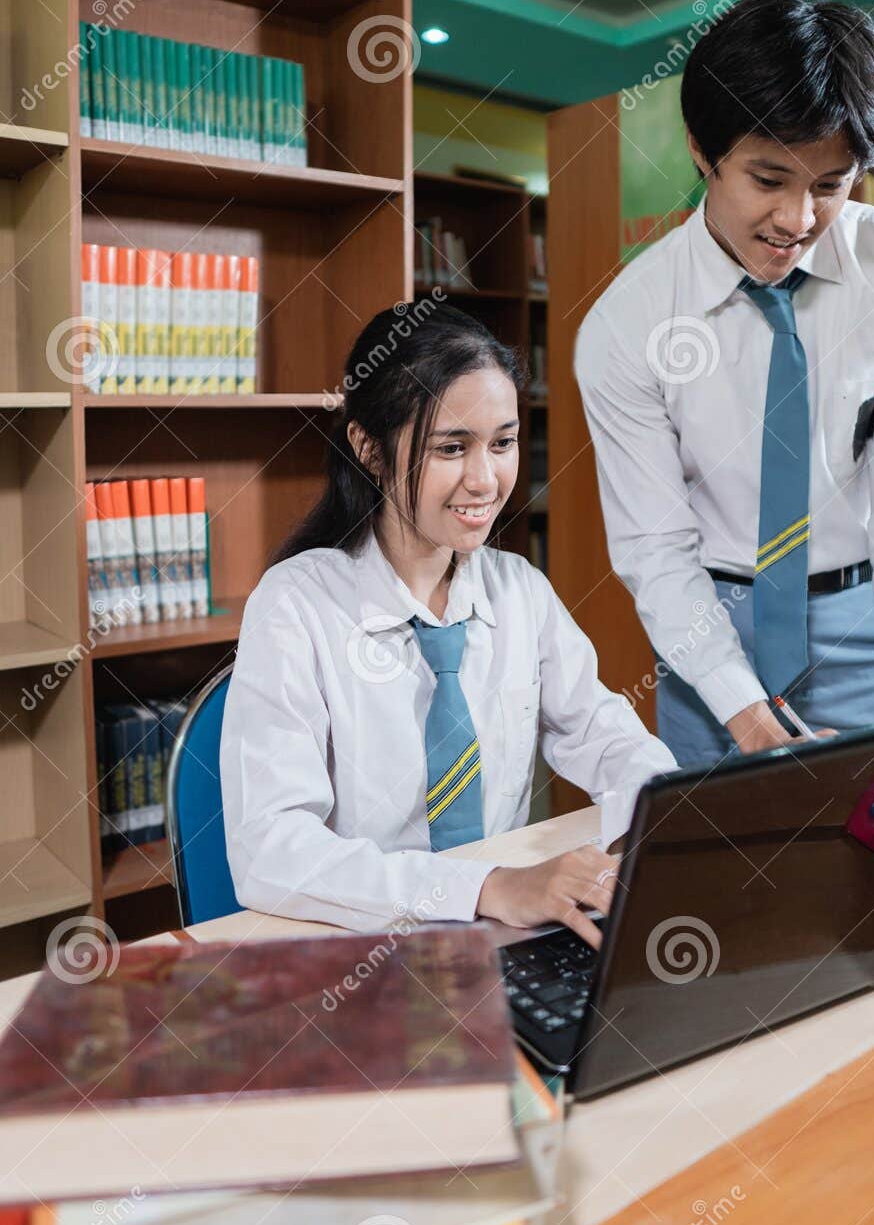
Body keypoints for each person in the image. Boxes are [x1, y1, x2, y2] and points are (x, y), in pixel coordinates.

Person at [574, 0, 874, 768]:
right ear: (700, 150)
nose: (796, 219)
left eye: (829, 185)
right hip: (707, 639)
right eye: (766, 179)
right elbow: (654, 548)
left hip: (868, 625)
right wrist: (741, 708)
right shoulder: (627, 325)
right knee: (722, 880)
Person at [220, 302, 676, 947]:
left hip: (499, 936)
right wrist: (487, 888)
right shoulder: (296, 605)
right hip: (366, 942)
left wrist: (645, 830)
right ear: (368, 448)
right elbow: (272, 851)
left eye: (503, 443)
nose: (485, 479)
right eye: (452, 448)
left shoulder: (520, 590)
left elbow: (608, 738)